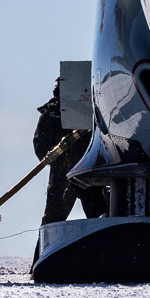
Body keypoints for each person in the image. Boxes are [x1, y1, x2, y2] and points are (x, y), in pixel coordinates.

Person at [33, 77, 99, 225]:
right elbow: (39, 144)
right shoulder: (50, 114)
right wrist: (56, 160)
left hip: (86, 169)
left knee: (98, 215)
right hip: (63, 173)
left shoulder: (89, 113)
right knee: (53, 220)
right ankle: (45, 248)